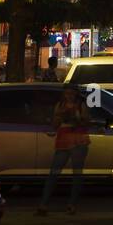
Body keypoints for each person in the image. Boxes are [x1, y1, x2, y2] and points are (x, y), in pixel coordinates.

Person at [37, 86, 91, 216]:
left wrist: (76, 119)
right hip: (65, 139)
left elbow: (86, 122)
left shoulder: (81, 105)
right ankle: (44, 204)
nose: (69, 96)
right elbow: (55, 124)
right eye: (67, 93)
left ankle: (71, 204)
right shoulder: (60, 105)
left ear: (76, 94)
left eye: (72, 93)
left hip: (78, 139)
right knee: (54, 172)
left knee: (76, 173)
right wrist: (60, 117)